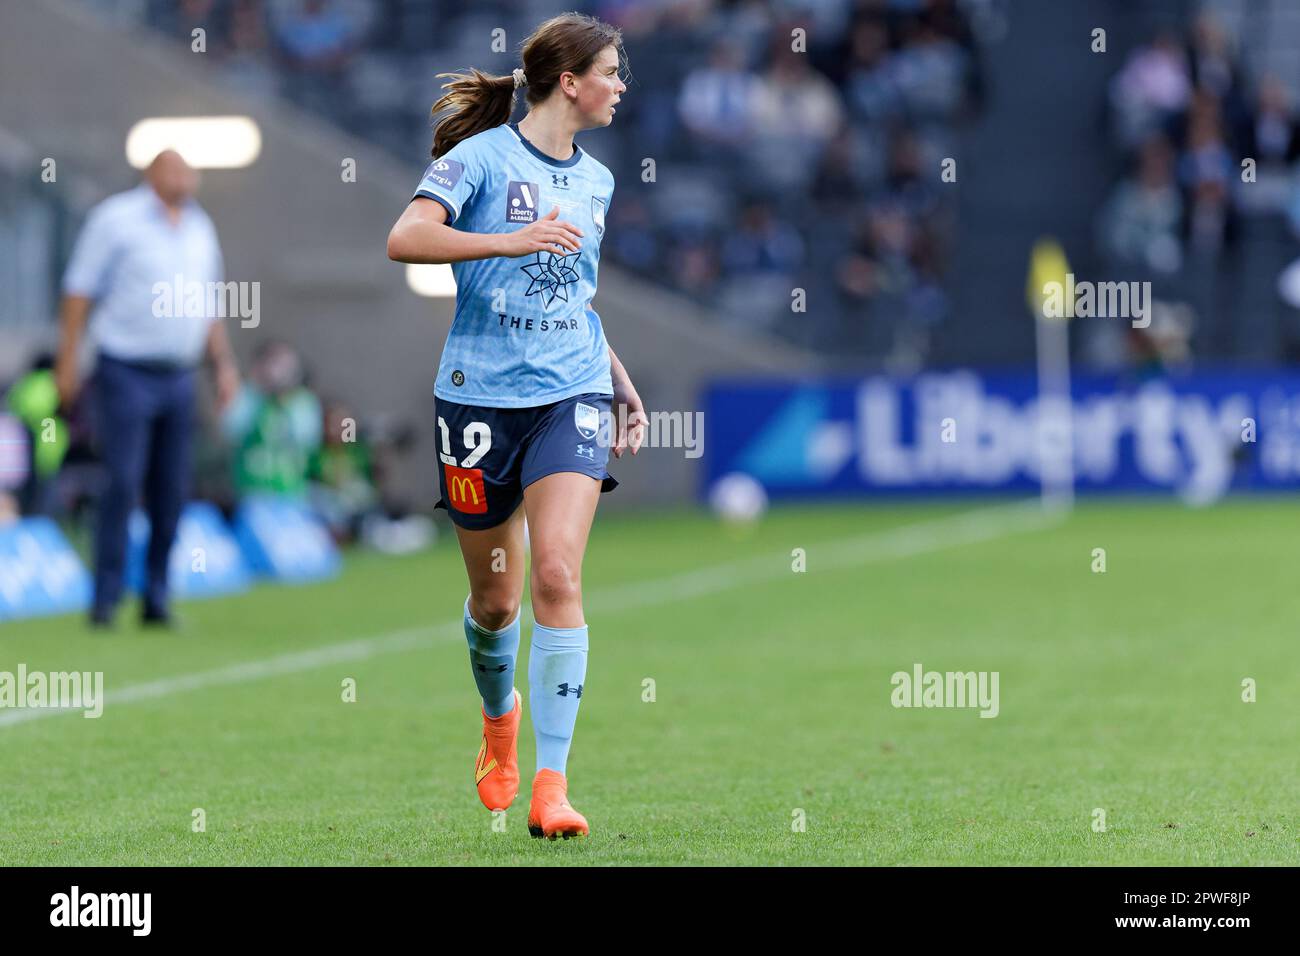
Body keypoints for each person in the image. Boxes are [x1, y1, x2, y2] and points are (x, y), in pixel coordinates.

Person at [386, 12, 645, 840]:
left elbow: (577, 295)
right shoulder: (480, 158)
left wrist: (618, 377)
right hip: (477, 400)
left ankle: (552, 785)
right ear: (570, 81)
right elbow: (404, 237)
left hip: (571, 394)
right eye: (612, 71)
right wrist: (506, 240)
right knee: (495, 602)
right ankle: (499, 720)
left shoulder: (599, 181)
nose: (620, 86)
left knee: (558, 577)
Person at [55, 150, 240, 629]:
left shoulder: (200, 227)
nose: (186, 178)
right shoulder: (115, 219)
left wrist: (222, 365)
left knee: (172, 487)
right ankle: (105, 600)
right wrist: (68, 360)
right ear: (152, 173)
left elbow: (210, 303)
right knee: (121, 481)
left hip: (178, 374)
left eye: (190, 170)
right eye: (176, 169)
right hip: (124, 370)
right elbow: (78, 291)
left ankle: (156, 597)